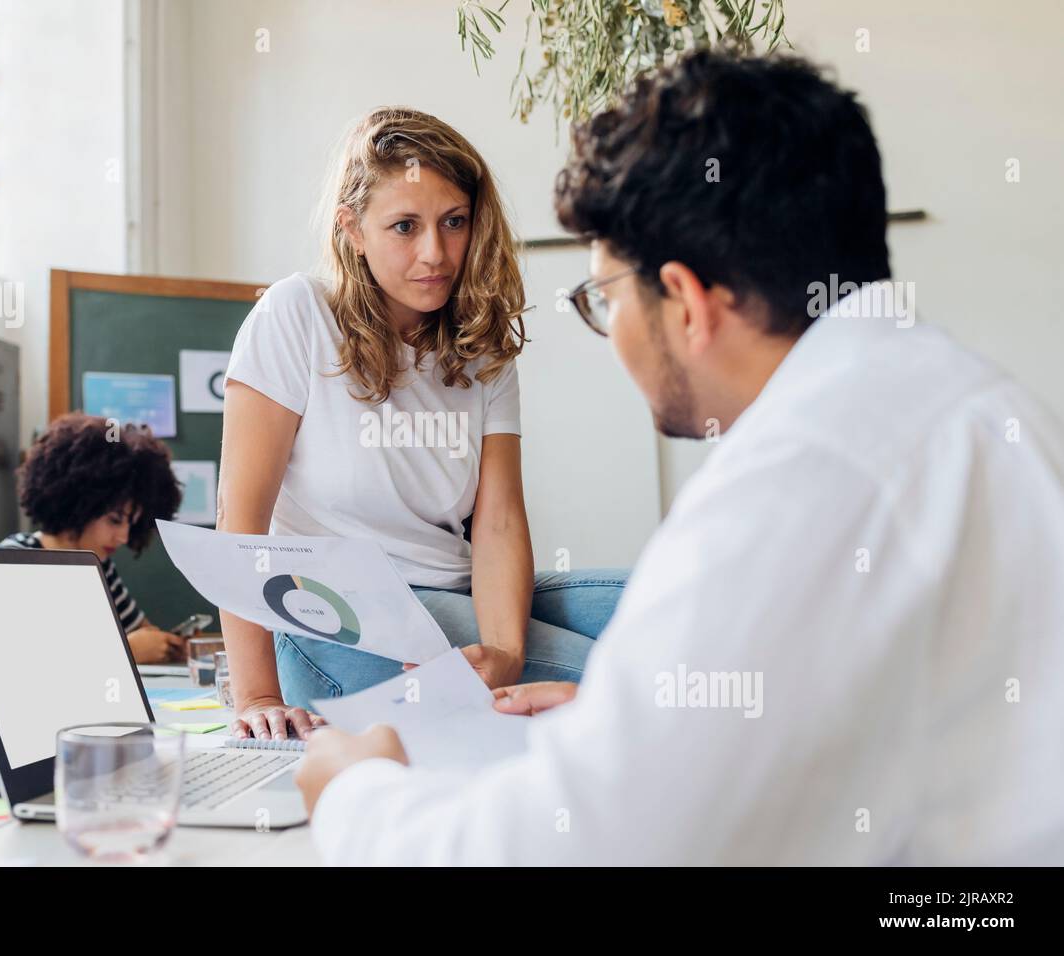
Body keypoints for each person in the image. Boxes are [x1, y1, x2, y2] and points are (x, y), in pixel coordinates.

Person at [292, 51, 1064, 865]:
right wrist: (649, 716)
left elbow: (577, 848)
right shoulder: (991, 411)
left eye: (605, 301)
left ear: (687, 302)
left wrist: (355, 794)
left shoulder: (791, 479)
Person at [218, 106, 627, 740]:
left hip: (453, 587)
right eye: (405, 227)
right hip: (335, 613)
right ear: (352, 229)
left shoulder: (483, 348)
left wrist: (505, 652)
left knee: (663, 609)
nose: (435, 253)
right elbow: (239, 522)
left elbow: (498, 521)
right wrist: (255, 697)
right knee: (618, 678)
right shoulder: (295, 314)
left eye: (454, 222)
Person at [0, 413, 185, 695]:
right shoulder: (10, 564)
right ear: (79, 504)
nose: (124, 536)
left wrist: (166, 645)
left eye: (131, 524)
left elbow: (146, 635)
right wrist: (126, 651)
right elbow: (17, 680)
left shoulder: (97, 566)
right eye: (115, 520)